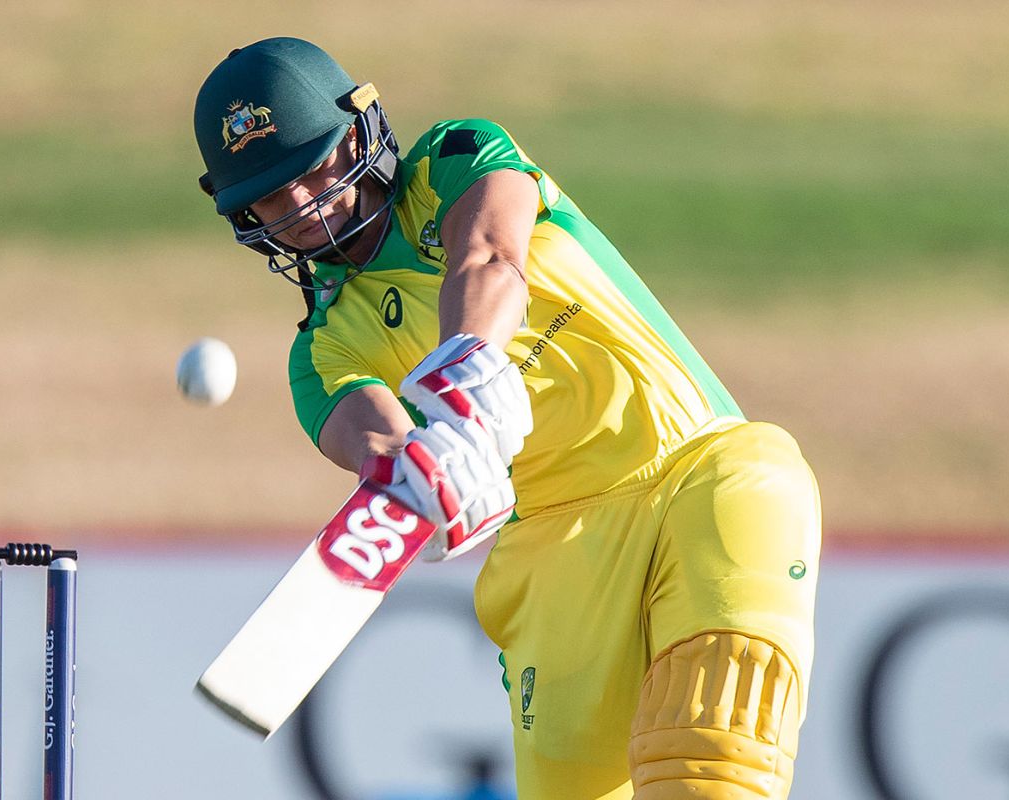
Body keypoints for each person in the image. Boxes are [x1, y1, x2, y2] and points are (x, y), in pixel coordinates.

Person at [192, 37, 821, 800]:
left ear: (358, 132)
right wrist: (421, 479)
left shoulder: (456, 157)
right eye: (268, 193)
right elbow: (373, 441)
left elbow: (489, 255)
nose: (298, 205)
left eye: (309, 168)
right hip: (551, 568)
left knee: (709, 771)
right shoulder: (318, 354)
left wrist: (467, 379)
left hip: (696, 474)